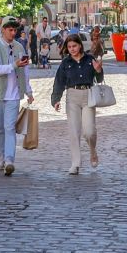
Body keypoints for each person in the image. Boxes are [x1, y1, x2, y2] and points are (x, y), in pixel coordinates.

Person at [49, 34, 103, 174]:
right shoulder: (65, 63)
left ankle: (92, 151)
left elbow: (99, 79)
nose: (72, 49)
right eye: (69, 47)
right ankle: (75, 163)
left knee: (89, 131)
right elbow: (59, 82)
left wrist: (98, 70)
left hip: (88, 96)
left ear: (80, 45)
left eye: (74, 46)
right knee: (74, 131)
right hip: (72, 96)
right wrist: (56, 100)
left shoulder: (89, 59)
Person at [0, 18, 33, 175]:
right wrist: (14, 65)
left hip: (14, 95)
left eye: (15, 30)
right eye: (10, 30)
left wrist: (28, 91)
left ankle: (9, 160)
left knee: (10, 127)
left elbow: (25, 71)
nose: (13, 33)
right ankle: (1, 156)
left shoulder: (19, 46)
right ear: (3, 30)